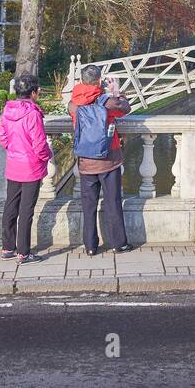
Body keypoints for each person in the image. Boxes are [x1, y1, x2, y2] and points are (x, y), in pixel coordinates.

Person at [69, 65, 134, 257]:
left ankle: (90, 246)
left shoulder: (73, 104)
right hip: (108, 159)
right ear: (99, 81)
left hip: (86, 161)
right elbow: (125, 108)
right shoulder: (107, 102)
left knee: (88, 206)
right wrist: (117, 93)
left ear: (81, 81)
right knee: (113, 202)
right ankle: (118, 244)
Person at [0, 72, 51, 263]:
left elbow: (3, 138)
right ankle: (23, 252)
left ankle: (7, 247)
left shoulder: (7, 110)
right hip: (31, 166)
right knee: (26, 210)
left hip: (14, 163)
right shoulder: (33, 114)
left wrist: (14, 150)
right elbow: (39, 144)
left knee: (11, 206)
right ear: (34, 92)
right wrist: (47, 156)